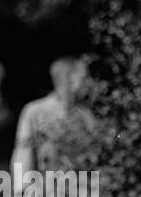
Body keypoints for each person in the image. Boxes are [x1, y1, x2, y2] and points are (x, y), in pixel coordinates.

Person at [11, 56, 95, 188]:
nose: (89, 83)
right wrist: (22, 191)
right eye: (84, 78)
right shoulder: (35, 112)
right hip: (44, 193)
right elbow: (23, 154)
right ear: (70, 79)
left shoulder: (86, 116)